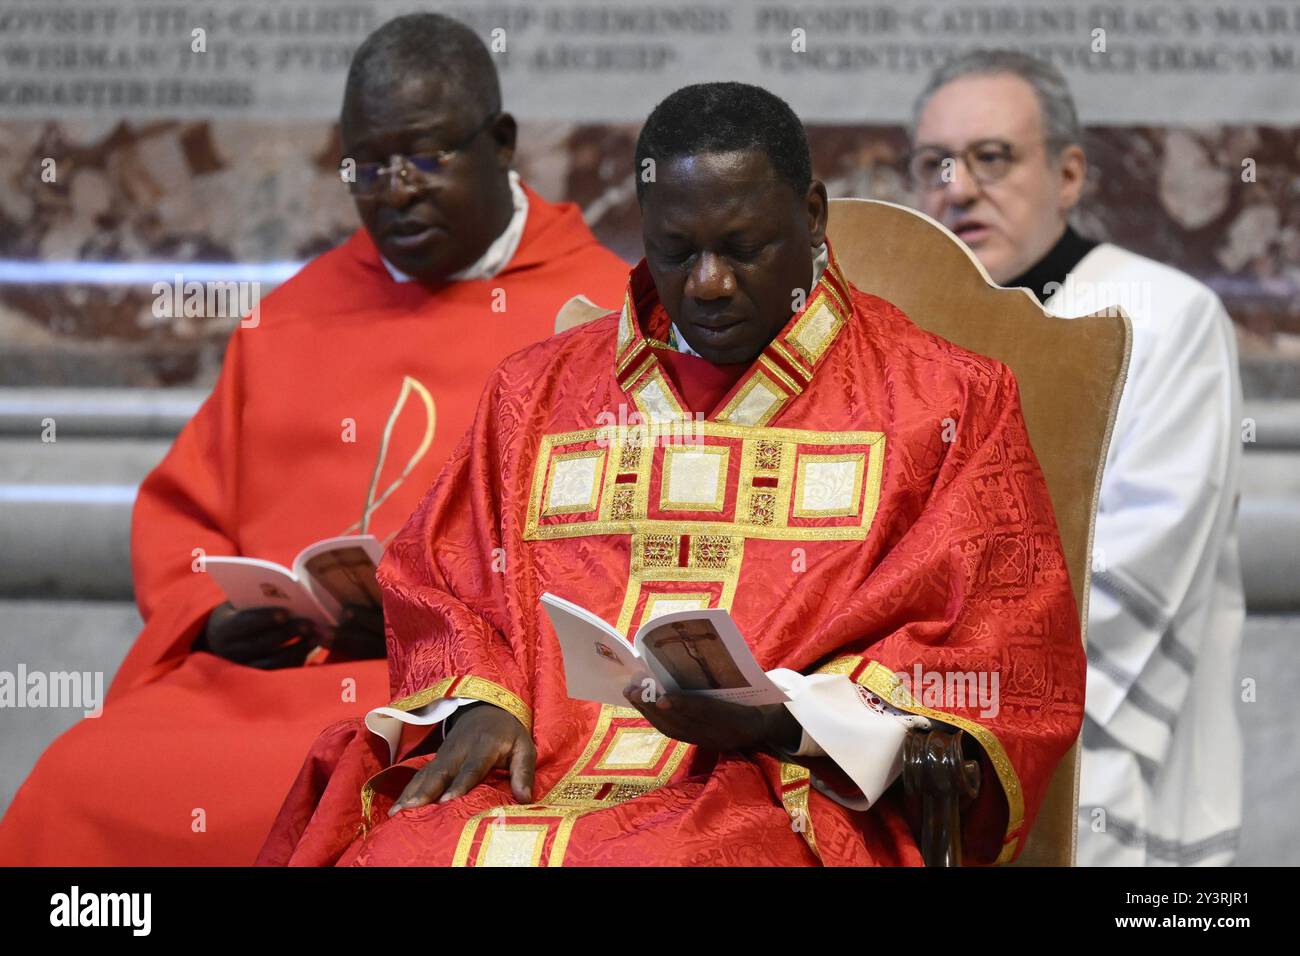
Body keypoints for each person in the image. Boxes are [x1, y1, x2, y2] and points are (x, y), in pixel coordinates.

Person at [258, 82, 1084, 868]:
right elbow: (443, 576)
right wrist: (481, 700)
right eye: (675, 252)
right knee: (399, 849)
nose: (709, 285)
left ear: (811, 214)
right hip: (536, 767)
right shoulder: (536, 394)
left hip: (778, 790)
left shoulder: (942, 399)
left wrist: (783, 720)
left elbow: (999, 641)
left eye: (743, 248)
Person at [0, 13, 628, 866]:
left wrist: (447, 632)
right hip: (270, 684)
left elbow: (630, 549)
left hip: (469, 700)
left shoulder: (602, 316)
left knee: (376, 807)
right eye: (367, 165)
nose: (395, 188)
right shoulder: (290, 317)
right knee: (79, 785)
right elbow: (188, 519)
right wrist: (217, 622)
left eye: (427, 157)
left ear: (502, 142)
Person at [910, 50, 1245, 865]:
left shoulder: (1163, 317)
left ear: (1067, 174)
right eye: (934, 165)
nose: (957, 188)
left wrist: (911, 678)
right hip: (916, 760)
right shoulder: (902, 335)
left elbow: (1140, 565)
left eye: (993, 158)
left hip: (1091, 771)